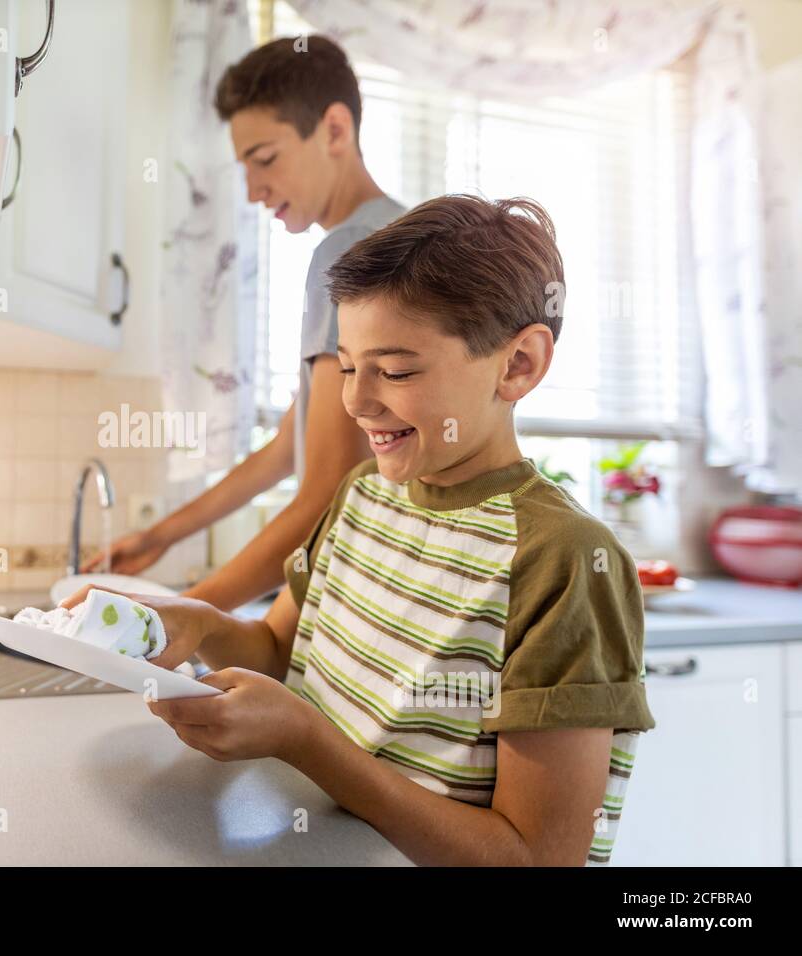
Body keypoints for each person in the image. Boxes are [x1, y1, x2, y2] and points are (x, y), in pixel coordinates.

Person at [66, 195, 656, 866]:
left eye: (396, 370)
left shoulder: (564, 560)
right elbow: (279, 649)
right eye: (347, 366)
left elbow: (535, 858)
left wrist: (305, 740)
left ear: (519, 364)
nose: (354, 400)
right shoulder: (362, 498)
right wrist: (200, 623)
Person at [83, 36, 407, 611]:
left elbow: (329, 490)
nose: (254, 191)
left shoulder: (349, 251)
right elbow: (289, 447)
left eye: (265, 159)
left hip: (366, 588)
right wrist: (162, 535)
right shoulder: (400, 233)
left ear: (335, 130)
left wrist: (185, 613)